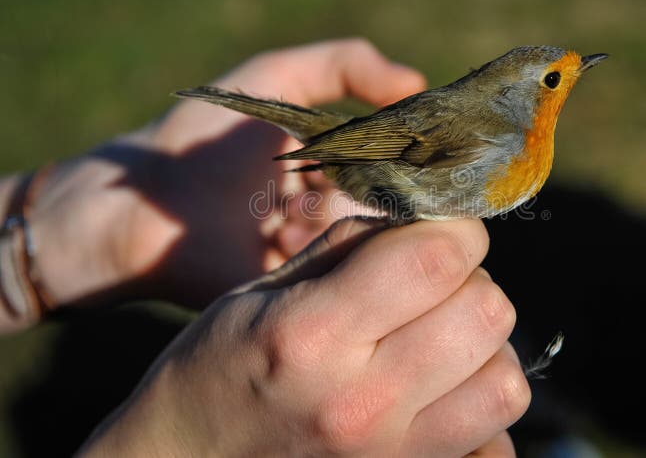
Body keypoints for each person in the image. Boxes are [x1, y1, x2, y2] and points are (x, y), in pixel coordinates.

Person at [0, 39, 530, 456]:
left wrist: (51, 238)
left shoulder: (516, 140)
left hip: (390, 169)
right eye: (553, 81)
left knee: (432, 271)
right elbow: (386, 136)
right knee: (429, 267)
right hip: (375, 156)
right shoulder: (487, 129)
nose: (564, 87)